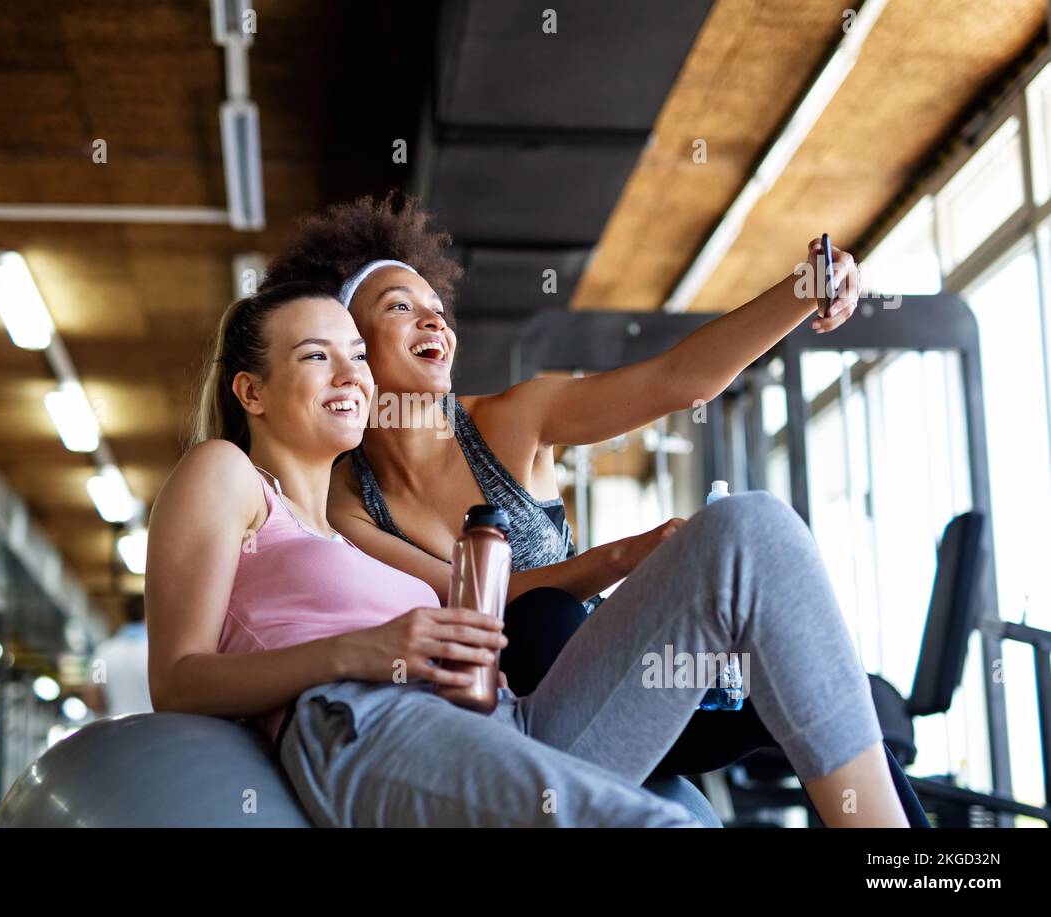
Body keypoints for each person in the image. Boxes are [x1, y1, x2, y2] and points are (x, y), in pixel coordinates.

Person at [259, 194, 931, 826]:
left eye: (438, 307)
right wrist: (633, 552)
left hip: (636, 679)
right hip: (532, 707)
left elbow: (677, 380)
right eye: (401, 308)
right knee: (533, 616)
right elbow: (488, 599)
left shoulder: (510, 418)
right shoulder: (352, 501)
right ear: (349, 341)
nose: (434, 319)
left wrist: (803, 289)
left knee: (773, 649)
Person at [84, 594, 152, 717]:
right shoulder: (155, 652)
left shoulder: (103, 652)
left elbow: (93, 700)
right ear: (148, 615)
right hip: (157, 729)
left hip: (116, 728)